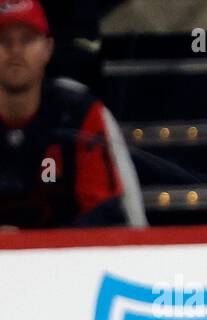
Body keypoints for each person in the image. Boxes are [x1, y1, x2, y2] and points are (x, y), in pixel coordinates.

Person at [0, 0, 134, 228]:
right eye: (4, 41)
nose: (16, 51)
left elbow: (107, 213)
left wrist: (34, 246)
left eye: (27, 39)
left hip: (67, 259)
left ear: (48, 49)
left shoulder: (80, 112)